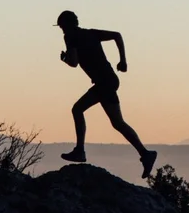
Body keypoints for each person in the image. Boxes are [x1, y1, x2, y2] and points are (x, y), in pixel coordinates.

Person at [55, 9, 157, 179]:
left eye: (62, 27)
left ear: (66, 25)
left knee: (77, 109)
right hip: (110, 80)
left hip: (104, 82)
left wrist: (65, 58)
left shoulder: (70, 37)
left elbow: (73, 62)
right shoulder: (91, 34)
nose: (62, 30)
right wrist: (123, 60)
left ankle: (80, 151)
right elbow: (117, 35)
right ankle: (145, 154)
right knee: (117, 122)